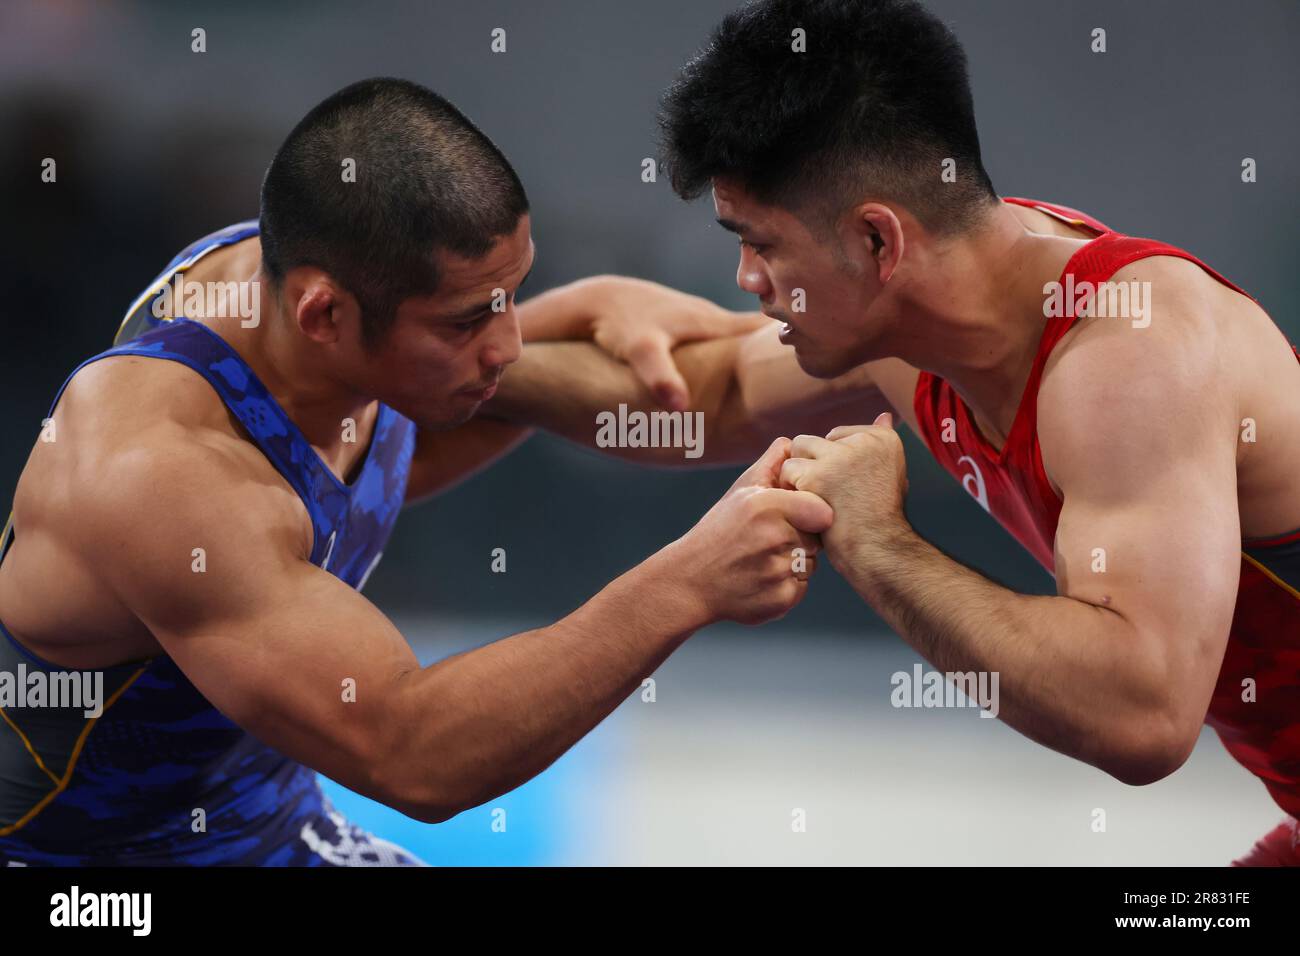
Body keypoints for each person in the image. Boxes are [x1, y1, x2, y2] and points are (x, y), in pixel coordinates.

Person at [487, 0, 1300, 865]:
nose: (744, 277)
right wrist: (440, 373)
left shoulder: (1132, 356)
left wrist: (878, 543)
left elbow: (1140, 715)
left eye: (759, 244)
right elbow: (706, 393)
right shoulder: (924, 305)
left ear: (878, 239)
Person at [0, 77, 830, 866]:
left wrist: (578, 304)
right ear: (324, 315)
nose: (507, 347)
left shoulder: (303, 284)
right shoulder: (161, 478)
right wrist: (689, 582)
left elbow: (380, 460)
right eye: (472, 320)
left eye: (514, 296)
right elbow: (414, 754)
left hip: (273, 826)